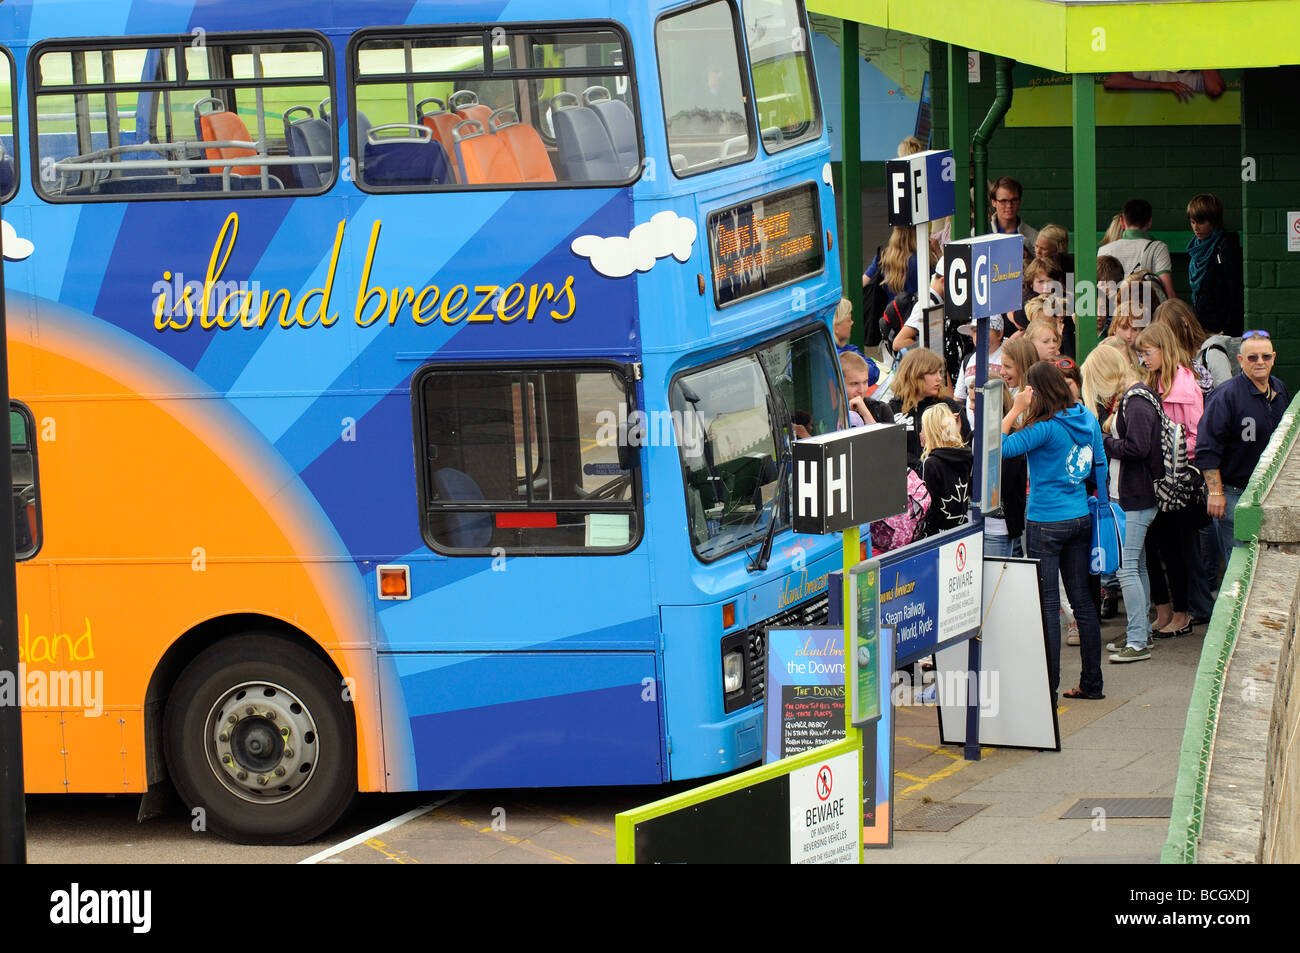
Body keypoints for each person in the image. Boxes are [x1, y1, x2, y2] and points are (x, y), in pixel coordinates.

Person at [1000, 362, 1109, 703]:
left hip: (1045, 522)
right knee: (1084, 605)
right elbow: (1100, 464)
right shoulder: (1086, 418)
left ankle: (1047, 690)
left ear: (1036, 392)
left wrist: (1015, 408)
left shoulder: (1044, 429)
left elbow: (997, 448)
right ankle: (1092, 683)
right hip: (1080, 517)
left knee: (1048, 606)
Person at [1082, 345, 1164, 662]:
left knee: (1127, 568)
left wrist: (1104, 442)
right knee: (1137, 565)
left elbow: (1138, 448)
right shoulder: (1136, 396)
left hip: (1135, 497)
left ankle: (1138, 640)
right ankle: (1139, 632)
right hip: (1133, 495)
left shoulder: (1136, 400)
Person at [1135, 320, 1206, 638]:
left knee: (1174, 548)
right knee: (1151, 545)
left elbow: (1197, 436)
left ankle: (1182, 613)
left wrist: (1165, 448)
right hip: (1152, 478)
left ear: (1164, 349)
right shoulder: (1149, 381)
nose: (1144, 360)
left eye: (1147, 353)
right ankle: (1162, 610)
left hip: (1176, 482)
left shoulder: (1186, 385)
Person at [1198, 331, 1290, 562]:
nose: (1260, 362)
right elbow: (1207, 448)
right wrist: (1216, 492)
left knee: (1266, 561)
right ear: (1240, 360)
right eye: (1252, 357)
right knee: (1241, 562)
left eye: (1265, 356)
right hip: (1234, 493)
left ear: (1274, 357)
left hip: (1269, 493)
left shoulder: (1279, 389)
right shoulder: (1225, 396)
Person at [888, 348, 969, 472]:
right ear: (914, 374)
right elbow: (889, 451)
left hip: (941, 480)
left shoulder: (949, 407)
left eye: (939, 372)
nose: (939, 378)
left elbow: (965, 448)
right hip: (905, 483)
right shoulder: (891, 409)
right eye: (932, 373)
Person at [1097, 198, 1177, 303]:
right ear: (1149, 222)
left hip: (1115, 315)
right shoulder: (1158, 248)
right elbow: (1169, 293)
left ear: (1122, 221)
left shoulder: (1104, 250)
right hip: (1147, 314)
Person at [1186, 193, 1244, 337]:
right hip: (1202, 327)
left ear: (1214, 221)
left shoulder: (1226, 246)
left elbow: (1235, 292)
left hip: (1223, 330)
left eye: (1201, 222)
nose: (1196, 227)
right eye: (1193, 222)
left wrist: (1229, 329)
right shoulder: (1196, 250)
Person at [920, 405, 972, 536]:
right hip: (961, 528)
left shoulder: (932, 462)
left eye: (923, 428)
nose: (920, 433)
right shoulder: (964, 455)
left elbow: (930, 507)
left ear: (932, 432)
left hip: (938, 534)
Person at [953, 314, 1004, 428]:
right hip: (973, 431)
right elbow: (959, 398)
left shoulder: (1008, 358)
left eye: (984, 330)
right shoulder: (968, 360)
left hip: (1000, 429)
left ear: (999, 334)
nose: (978, 336)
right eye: (975, 331)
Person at [890, 257, 944, 354]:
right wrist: (933, 354)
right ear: (943, 281)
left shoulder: (935, 298)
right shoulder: (928, 304)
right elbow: (898, 343)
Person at [840, 350, 891, 427]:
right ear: (839, 383)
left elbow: (887, 439)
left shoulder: (881, 410)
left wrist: (866, 414)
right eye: (855, 384)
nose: (862, 390)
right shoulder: (827, 412)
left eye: (865, 382)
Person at [988, 175, 1039, 247]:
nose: (1009, 205)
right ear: (993, 202)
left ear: (1020, 201)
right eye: (1003, 201)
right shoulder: (978, 233)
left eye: (1014, 200)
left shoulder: (1034, 238)